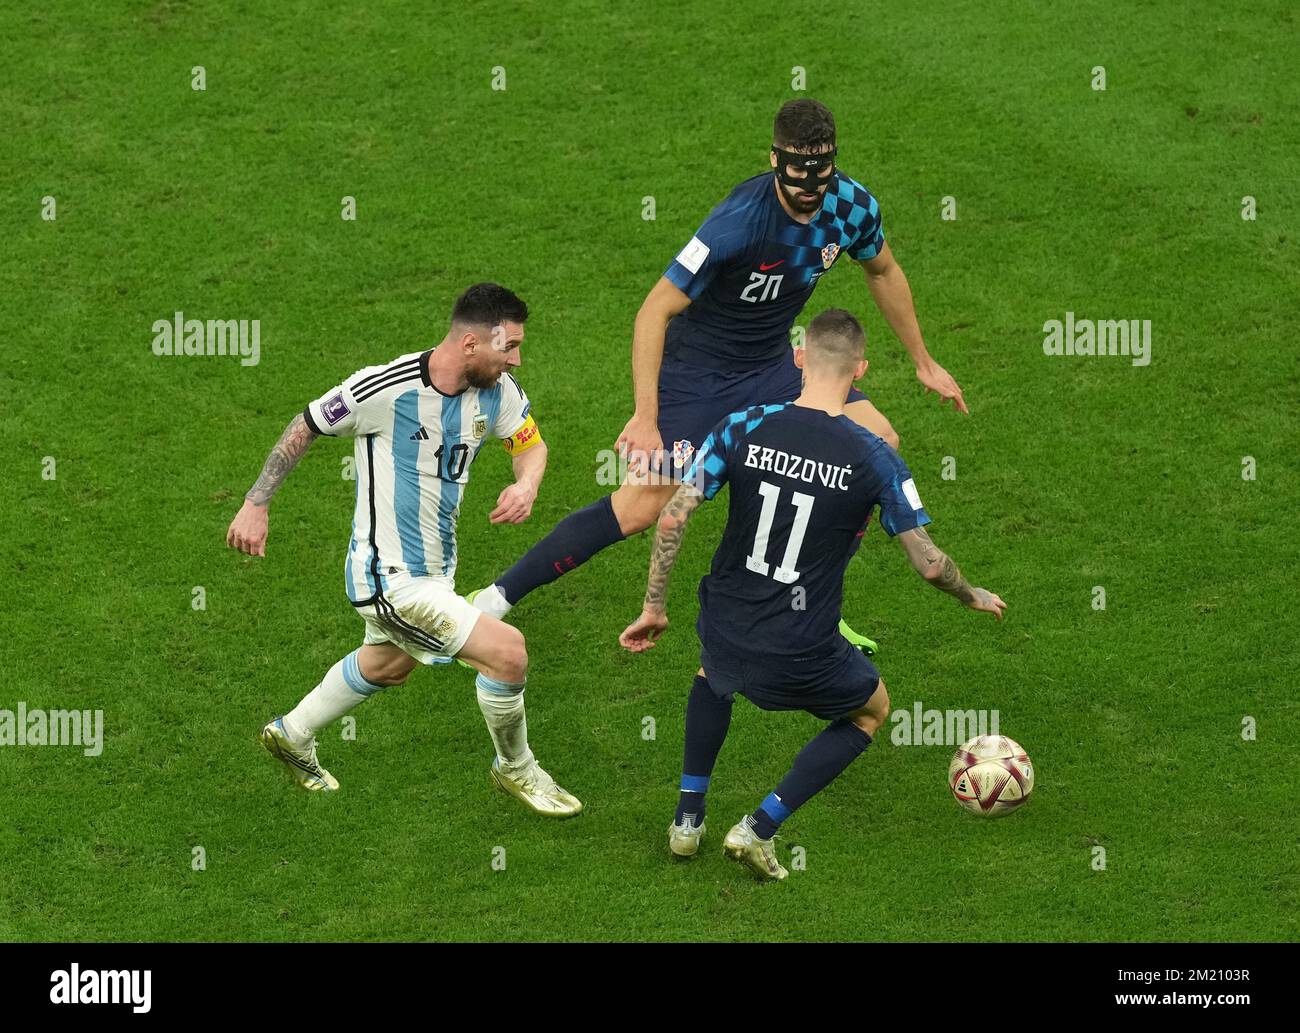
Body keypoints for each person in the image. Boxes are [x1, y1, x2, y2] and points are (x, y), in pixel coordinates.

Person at [472, 99, 967, 658]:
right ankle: (495, 598)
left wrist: (924, 361)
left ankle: (805, 597)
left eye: (820, 171)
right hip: (698, 376)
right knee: (640, 508)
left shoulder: (852, 208)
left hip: (776, 367)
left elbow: (884, 269)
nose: (808, 185)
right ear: (774, 158)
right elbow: (652, 311)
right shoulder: (736, 225)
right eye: (795, 172)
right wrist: (645, 416)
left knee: (878, 438)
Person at [618, 309, 1004, 880]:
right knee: (873, 710)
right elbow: (928, 564)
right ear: (861, 369)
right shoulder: (876, 456)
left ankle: (687, 819)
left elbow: (673, 518)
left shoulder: (742, 424)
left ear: (800, 358)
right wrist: (969, 593)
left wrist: (654, 606)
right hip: (801, 648)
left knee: (711, 676)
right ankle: (758, 827)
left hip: (724, 622)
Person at [225, 283, 581, 817]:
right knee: (507, 654)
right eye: (509, 347)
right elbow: (307, 425)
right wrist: (256, 503)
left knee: (388, 666)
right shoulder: (384, 389)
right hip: (388, 579)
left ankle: (291, 734)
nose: (517, 359)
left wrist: (527, 484)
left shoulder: (498, 391)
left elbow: (530, 445)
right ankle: (517, 769)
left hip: (436, 573)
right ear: (469, 344)